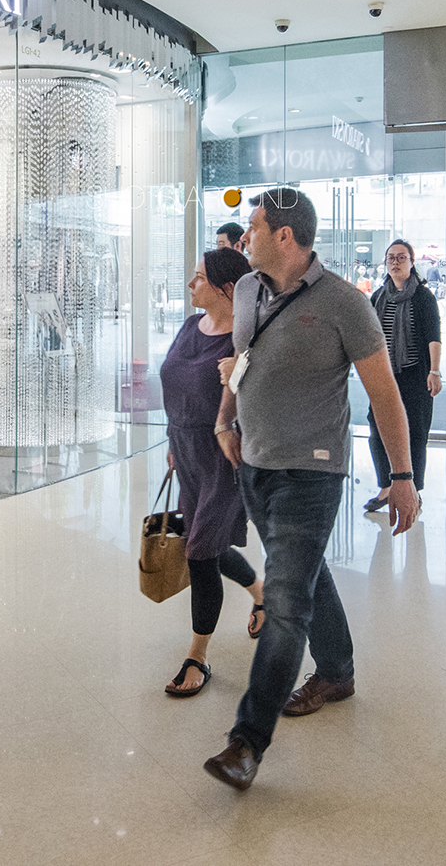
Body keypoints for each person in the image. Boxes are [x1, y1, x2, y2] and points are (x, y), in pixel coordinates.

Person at [200, 187, 417, 792]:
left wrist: (401, 477)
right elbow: (239, 363)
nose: (245, 235)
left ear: (286, 237)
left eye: (255, 225)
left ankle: (247, 741)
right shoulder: (246, 291)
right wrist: (224, 418)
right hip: (256, 464)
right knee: (307, 570)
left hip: (313, 472)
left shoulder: (346, 303)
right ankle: (339, 670)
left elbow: (384, 396)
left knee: (287, 599)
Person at [158, 248, 265, 697]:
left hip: (224, 457)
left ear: (226, 289)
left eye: (198, 277)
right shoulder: (188, 327)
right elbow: (175, 384)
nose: (190, 285)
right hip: (186, 453)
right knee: (209, 544)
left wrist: (236, 376)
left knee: (200, 552)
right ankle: (262, 592)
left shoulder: (243, 341)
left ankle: (197, 656)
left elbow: (260, 396)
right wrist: (171, 442)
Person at [362, 239, 442, 514]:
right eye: (391, 258)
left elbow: (433, 336)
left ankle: (414, 490)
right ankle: (385, 486)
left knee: (416, 432)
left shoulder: (423, 296)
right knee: (377, 428)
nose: (395, 262)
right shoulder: (379, 296)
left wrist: (435, 371)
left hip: (415, 375)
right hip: (384, 375)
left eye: (401, 257)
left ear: (411, 262)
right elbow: (370, 338)